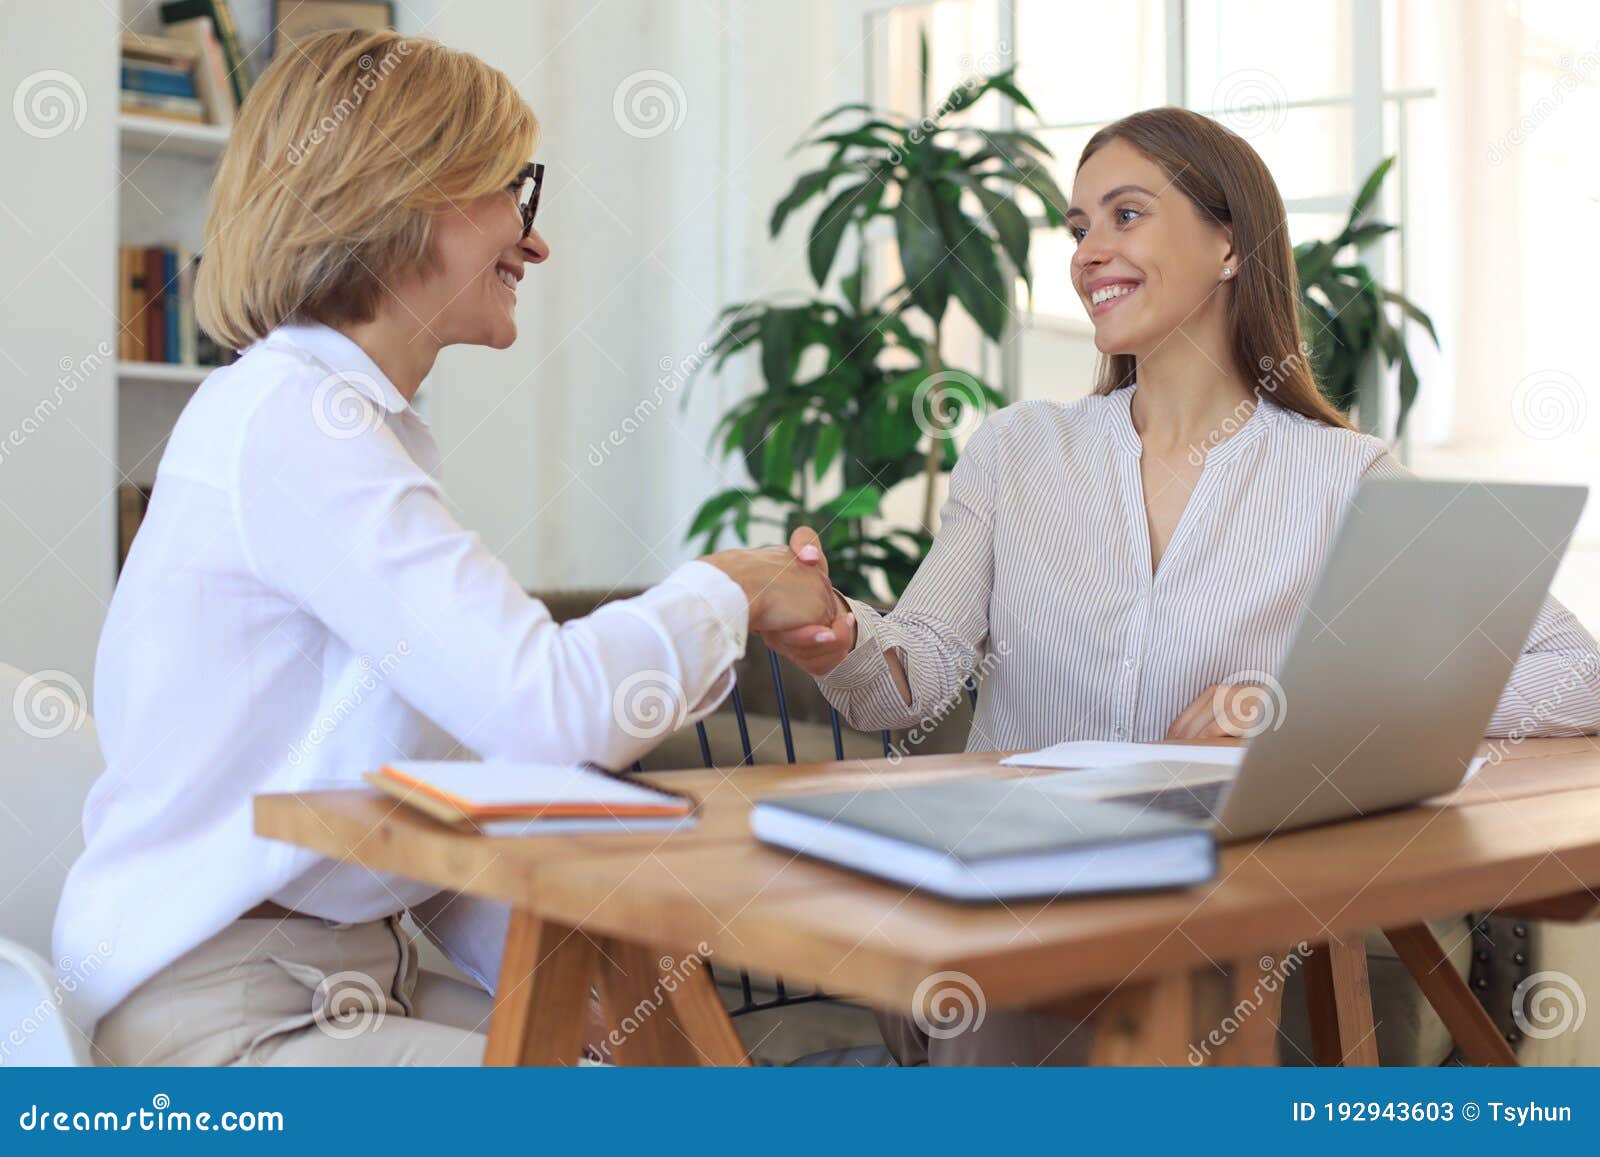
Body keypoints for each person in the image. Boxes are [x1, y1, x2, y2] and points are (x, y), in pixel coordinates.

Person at [55, 29, 836, 1067]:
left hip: (344, 976)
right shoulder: (292, 419)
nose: (536, 239)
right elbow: (547, 708)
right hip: (229, 1014)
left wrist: (581, 993)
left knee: (666, 1072)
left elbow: (449, 797)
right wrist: (732, 585)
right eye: (514, 190)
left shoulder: (345, 425)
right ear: (404, 192)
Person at [765, 106, 1600, 1066]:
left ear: (1229, 244)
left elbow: (1575, 672)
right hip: (1014, 897)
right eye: (1079, 229)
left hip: (1223, 912)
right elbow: (905, 683)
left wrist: (1292, 708)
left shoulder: (1342, 475)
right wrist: (837, 634)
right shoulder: (1019, 451)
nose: (1088, 254)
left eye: (1126, 215)